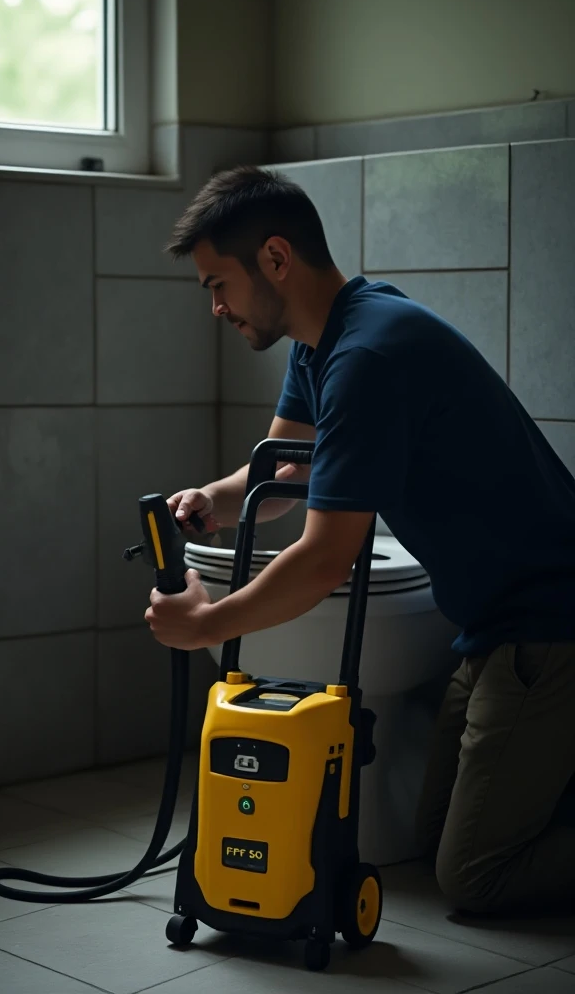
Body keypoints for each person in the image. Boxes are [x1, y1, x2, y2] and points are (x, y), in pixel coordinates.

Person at [143, 165, 575, 915]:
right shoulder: (329, 338)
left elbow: (323, 559)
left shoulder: (367, 357)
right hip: (493, 626)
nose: (215, 307)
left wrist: (207, 624)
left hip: (551, 627)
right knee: (427, 836)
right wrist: (214, 498)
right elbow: (283, 466)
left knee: (472, 876)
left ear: (275, 260)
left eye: (218, 284)